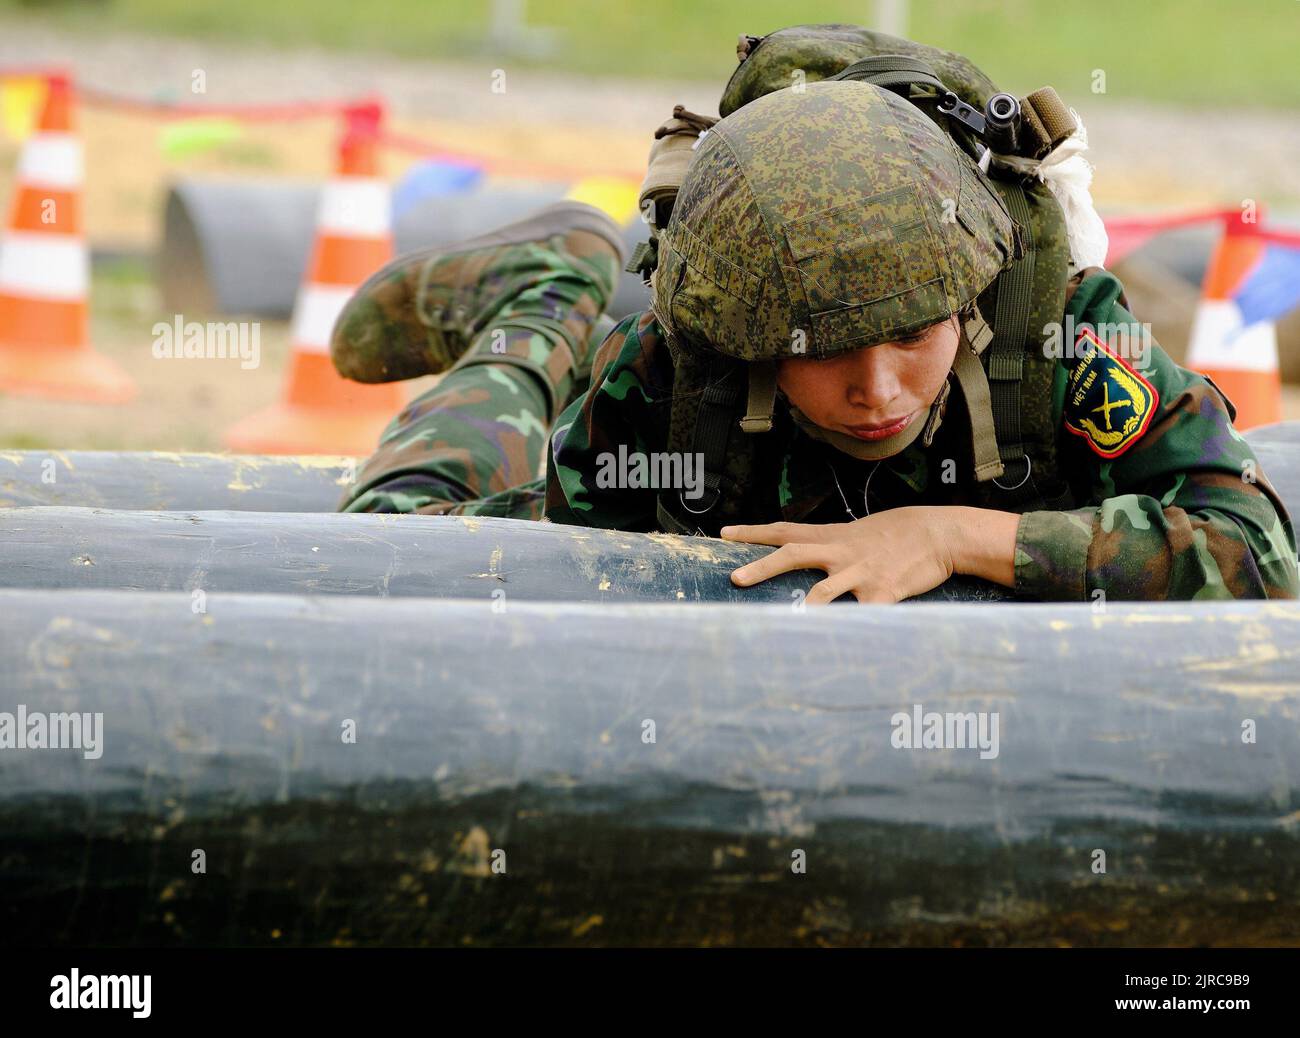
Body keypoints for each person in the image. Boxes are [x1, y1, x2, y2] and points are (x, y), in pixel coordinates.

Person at [332, 81, 1297, 603]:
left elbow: (1257, 551)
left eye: (911, 337)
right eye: (824, 347)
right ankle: (547, 297)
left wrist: (960, 536)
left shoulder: (1060, 337)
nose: (877, 389)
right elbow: (505, 577)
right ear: (750, 346)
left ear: (965, 306)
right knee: (383, 539)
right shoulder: (671, 382)